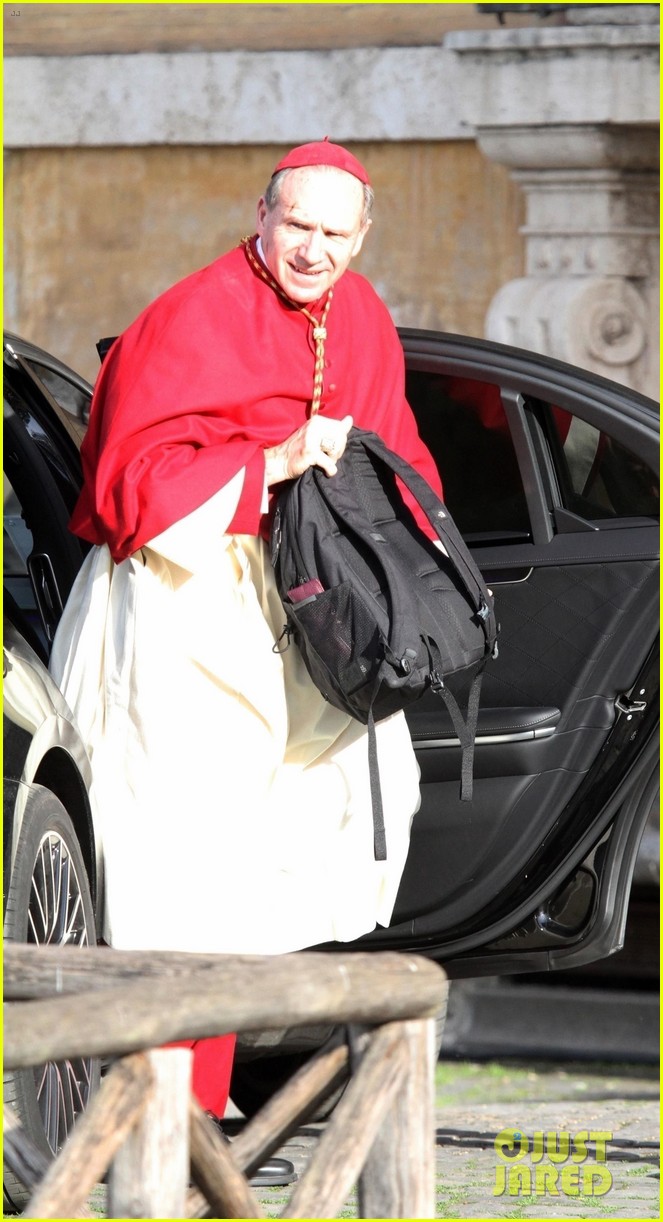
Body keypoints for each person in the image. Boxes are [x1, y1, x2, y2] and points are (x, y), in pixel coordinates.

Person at [50, 140, 444, 1144]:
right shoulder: (188, 316)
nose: (311, 250)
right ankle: (146, 1120)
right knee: (171, 869)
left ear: (363, 235)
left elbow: (401, 460)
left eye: (333, 232)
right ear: (261, 215)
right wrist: (271, 460)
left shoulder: (361, 317)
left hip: (298, 623)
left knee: (268, 864)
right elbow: (126, 494)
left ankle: (203, 1119)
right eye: (295, 225)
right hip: (182, 615)